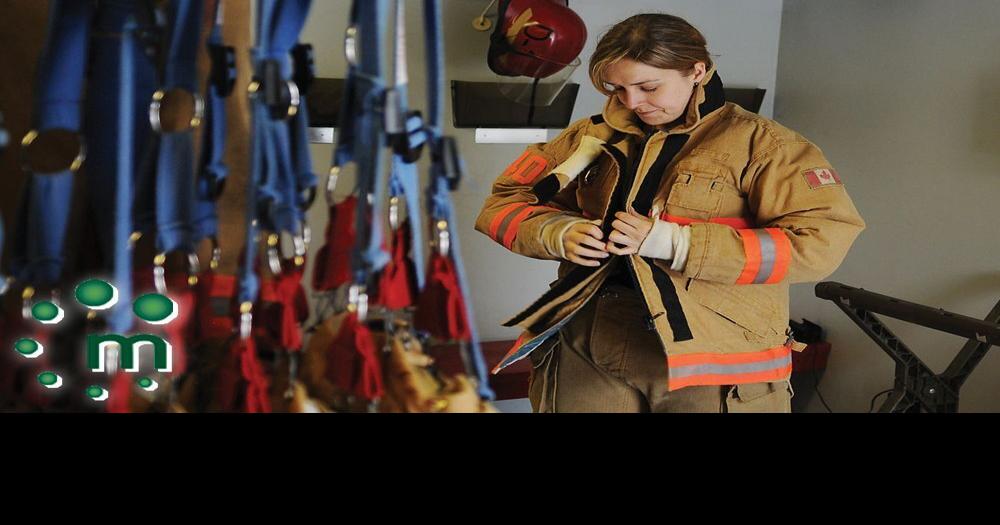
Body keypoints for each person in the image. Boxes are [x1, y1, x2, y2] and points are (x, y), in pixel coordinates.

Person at [475, 13, 865, 413]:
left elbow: (821, 243)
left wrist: (677, 244)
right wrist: (555, 232)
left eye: (648, 87)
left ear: (696, 71)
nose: (631, 103)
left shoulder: (766, 146)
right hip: (591, 344)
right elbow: (503, 203)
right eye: (617, 88)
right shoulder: (586, 137)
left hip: (715, 359)